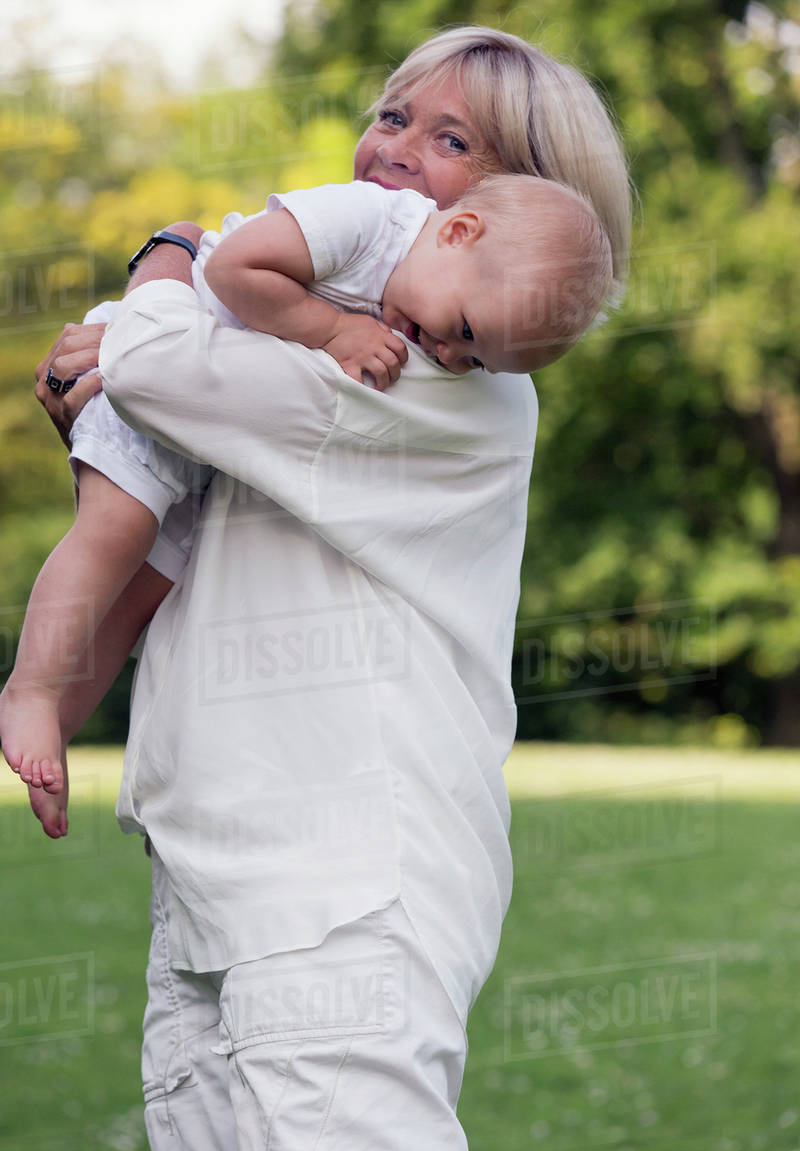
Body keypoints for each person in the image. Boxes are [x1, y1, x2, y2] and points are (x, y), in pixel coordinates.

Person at [21, 26, 631, 1151]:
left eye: (454, 140)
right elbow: (154, 526)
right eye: (392, 115)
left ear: (509, 206)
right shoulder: (332, 343)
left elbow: (146, 362)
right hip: (223, 879)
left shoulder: (445, 384)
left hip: (339, 899)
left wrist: (164, 258)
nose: (396, 152)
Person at [0, 171, 610, 816]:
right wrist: (333, 331)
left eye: (475, 359)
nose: (444, 353)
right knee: (113, 534)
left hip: (201, 423)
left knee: (148, 585)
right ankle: (30, 692)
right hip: (141, 361)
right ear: (458, 231)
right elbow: (235, 266)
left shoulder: (436, 311)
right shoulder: (368, 220)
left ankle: (51, 736)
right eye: (461, 328)